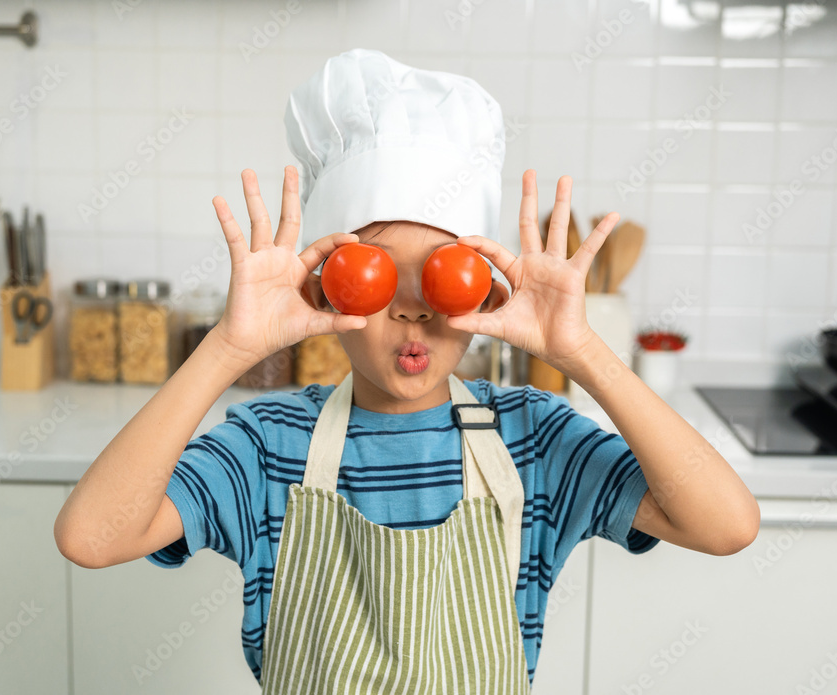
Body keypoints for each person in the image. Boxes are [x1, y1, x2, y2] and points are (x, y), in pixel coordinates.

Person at [54, 49, 760, 693]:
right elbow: (92, 537)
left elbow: (726, 526)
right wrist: (228, 348)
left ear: (486, 296)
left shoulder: (535, 440)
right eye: (378, 277)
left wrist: (582, 351)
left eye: (445, 279)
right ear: (327, 293)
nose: (413, 309)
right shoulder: (269, 445)